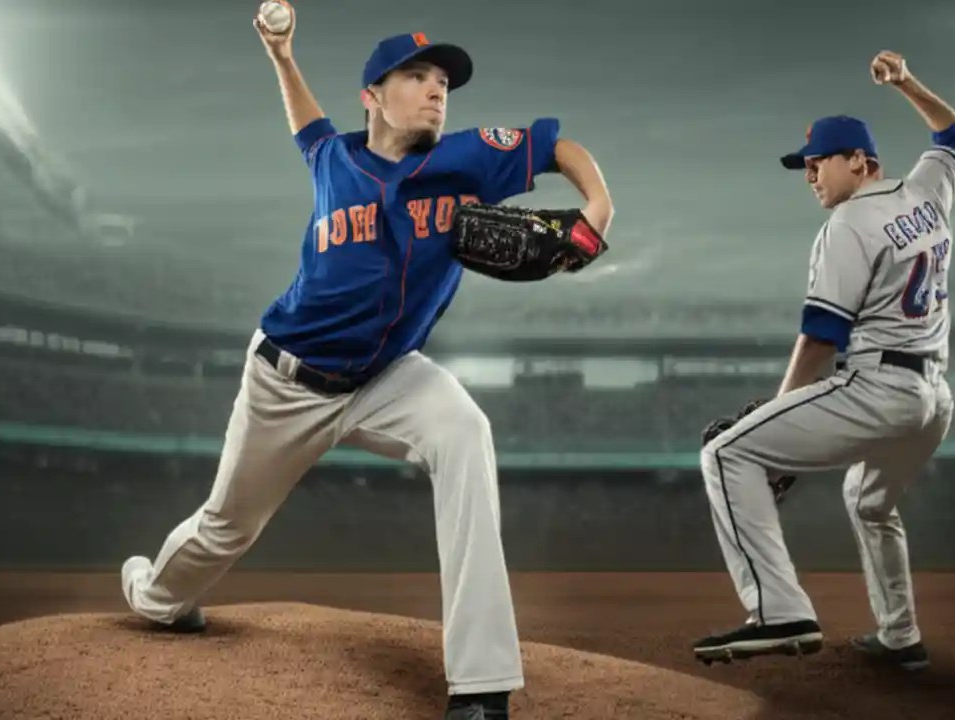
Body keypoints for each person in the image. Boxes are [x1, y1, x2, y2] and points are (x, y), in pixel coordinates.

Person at [119, 4, 614, 718]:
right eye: (416, 76)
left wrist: (597, 207)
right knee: (229, 525)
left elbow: (560, 146)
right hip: (286, 379)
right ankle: (158, 596)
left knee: (465, 432)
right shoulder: (332, 156)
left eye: (443, 79)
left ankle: (481, 685)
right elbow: (305, 118)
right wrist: (283, 54)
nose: (437, 89)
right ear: (372, 97)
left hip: (387, 375)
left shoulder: (468, 159)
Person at [692, 49, 955, 672]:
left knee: (727, 451)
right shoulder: (928, 191)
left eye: (819, 163)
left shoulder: (848, 224)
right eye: (805, 166)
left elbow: (821, 334)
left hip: (879, 389)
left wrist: (777, 407)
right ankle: (901, 638)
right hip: (934, 399)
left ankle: (778, 611)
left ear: (860, 162)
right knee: (869, 502)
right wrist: (907, 83)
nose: (810, 175)